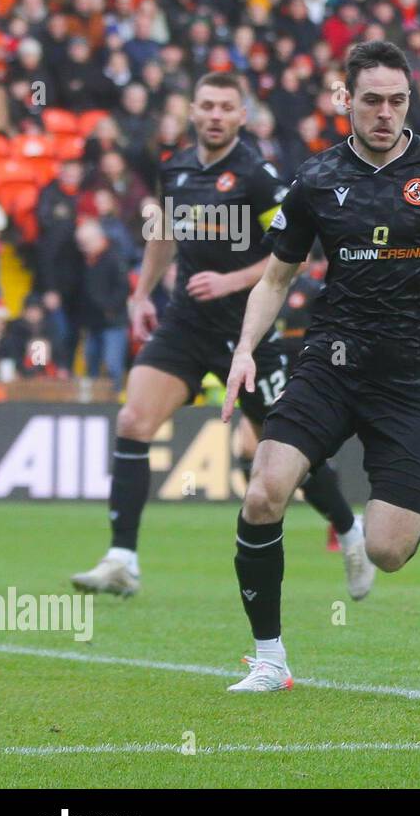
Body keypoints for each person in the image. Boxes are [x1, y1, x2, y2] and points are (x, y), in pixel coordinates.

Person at [220, 41, 420, 692]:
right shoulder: (316, 179)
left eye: (397, 101)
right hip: (331, 365)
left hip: (415, 380)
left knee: (388, 550)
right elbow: (277, 278)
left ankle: (381, 516)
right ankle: (269, 660)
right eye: (371, 100)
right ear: (346, 100)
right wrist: (244, 349)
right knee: (263, 492)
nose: (384, 112)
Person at [71, 72, 363, 600]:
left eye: (226, 107)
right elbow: (162, 234)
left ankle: (348, 529)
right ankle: (122, 559)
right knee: (133, 420)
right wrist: (141, 295)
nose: (214, 115)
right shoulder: (175, 167)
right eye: (206, 105)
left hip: (246, 333)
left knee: (286, 454)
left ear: (241, 116)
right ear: (192, 111)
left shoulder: (258, 177)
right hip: (185, 323)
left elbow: (294, 254)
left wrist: (231, 281)